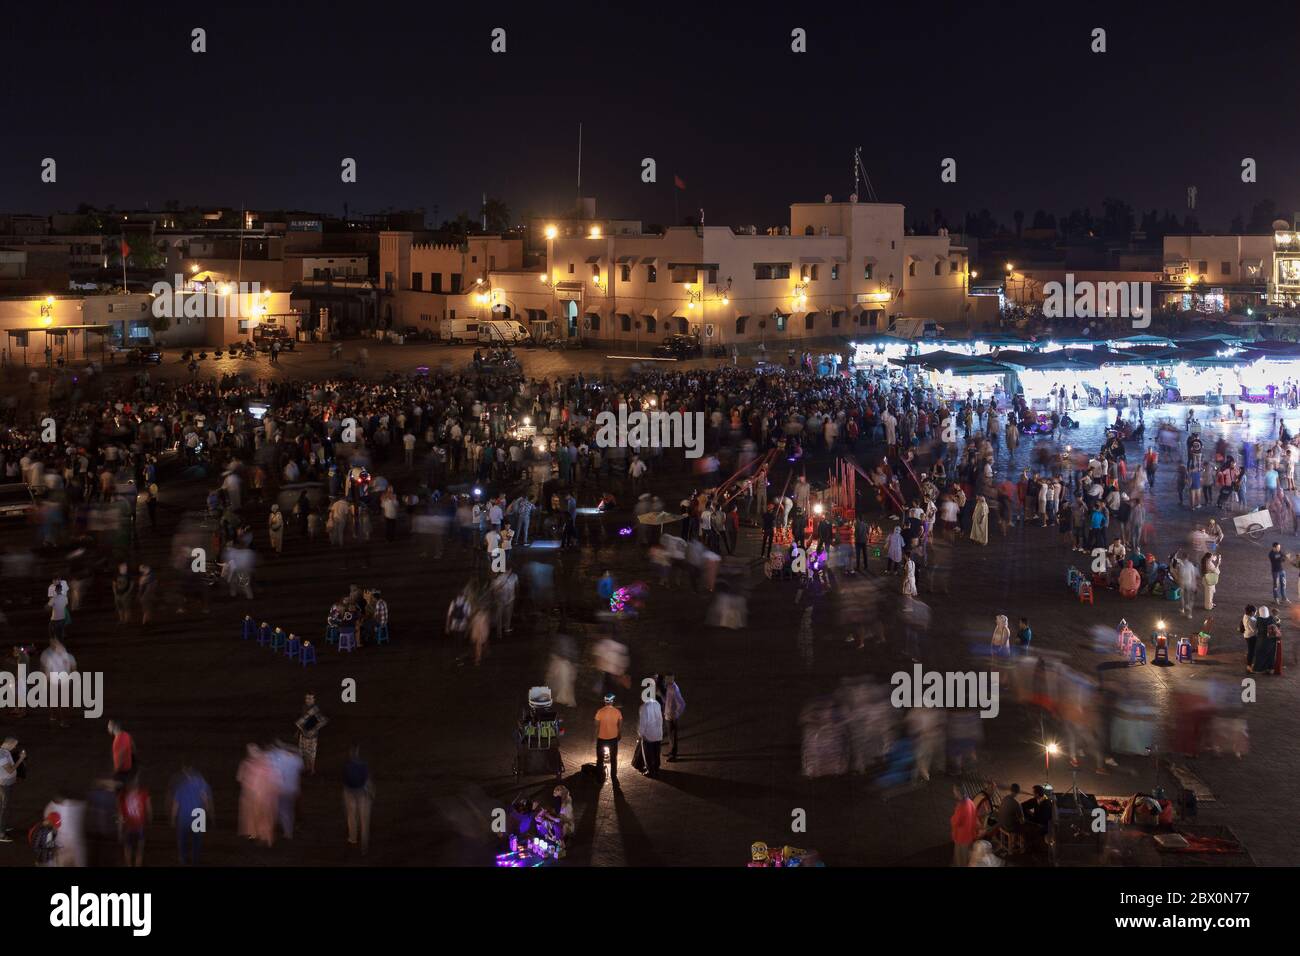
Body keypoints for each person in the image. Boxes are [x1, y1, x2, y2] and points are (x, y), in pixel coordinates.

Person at [169, 762, 213, 865]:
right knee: (197, 841)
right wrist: (208, 813)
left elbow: (176, 804)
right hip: (199, 815)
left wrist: (172, 818)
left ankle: (183, 859)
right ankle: (195, 860)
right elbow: (206, 800)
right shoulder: (202, 783)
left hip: (184, 816)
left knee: (183, 840)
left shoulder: (181, 785)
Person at [343, 744, 373, 854]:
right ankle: (364, 845)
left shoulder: (347, 766)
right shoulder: (363, 765)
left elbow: (345, 782)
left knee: (352, 817)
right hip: (362, 793)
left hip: (350, 793)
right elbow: (367, 781)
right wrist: (371, 793)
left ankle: (353, 839)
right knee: (364, 820)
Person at [117, 776, 152, 867]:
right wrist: (149, 820)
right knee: (139, 850)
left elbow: (120, 816)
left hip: (128, 827)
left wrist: (119, 830)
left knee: (127, 849)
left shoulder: (122, 795)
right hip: (140, 826)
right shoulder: (144, 793)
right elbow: (149, 809)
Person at [0, 737, 26, 843]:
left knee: (3, 806)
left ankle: (2, 826)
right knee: (4, 808)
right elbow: (10, 770)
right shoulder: (2, 755)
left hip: (5, 783)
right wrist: (21, 759)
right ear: (9, 744)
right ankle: (1, 833)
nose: (15, 747)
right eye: (14, 745)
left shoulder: (4, 752)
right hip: (4, 784)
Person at [295, 693, 328, 774]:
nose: (308, 700)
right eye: (307, 698)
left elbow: (323, 721)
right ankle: (307, 768)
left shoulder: (315, 710)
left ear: (314, 700)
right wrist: (298, 731)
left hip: (312, 736)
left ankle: (312, 769)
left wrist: (314, 730)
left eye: (310, 698)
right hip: (303, 734)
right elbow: (301, 721)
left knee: (311, 753)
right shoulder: (304, 708)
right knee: (303, 752)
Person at [595, 693, 623, 783]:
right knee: (613, 758)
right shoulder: (617, 712)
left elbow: (596, 725)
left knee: (600, 759)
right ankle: (614, 776)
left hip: (601, 738)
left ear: (605, 701)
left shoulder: (600, 711)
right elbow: (620, 724)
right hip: (613, 738)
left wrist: (597, 734)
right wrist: (619, 733)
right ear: (612, 701)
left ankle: (599, 777)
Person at [950, 785, 979, 866]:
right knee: (967, 857)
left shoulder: (961, 807)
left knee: (961, 859)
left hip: (962, 838)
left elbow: (955, 822)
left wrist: (953, 816)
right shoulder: (970, 801)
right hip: (969, 835)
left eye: (954, 791)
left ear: (959, 792)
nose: (953, 792)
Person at [637, 690, 664, 778]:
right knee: (656, 753)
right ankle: (657, 768)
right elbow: (660, 718)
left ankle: (650, 771)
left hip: (648, 736)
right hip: (658, 734)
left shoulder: (644, 707)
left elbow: (643, 723)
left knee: (648, 754)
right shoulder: (657, 704)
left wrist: (640, 734)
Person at [662, 673, 685, 761]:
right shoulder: (669, 687)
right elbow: (668, 701)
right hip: (668, 715)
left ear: (671, 679)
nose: (665, 680)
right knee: (671, 736)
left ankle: (673, 755)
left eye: (667, 679)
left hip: (672, 716)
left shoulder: (674, 689)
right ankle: (671, 752)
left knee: (673, 736)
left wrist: (676, 714)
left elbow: (682, 703)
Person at [108, 719, 135, 783]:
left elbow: (122, 753)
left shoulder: (119, 739)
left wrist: (117, 770)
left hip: (122, 772)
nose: (108, 728)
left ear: (114, 726)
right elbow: (133, 748)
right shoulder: (126, 735)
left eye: (109, 726)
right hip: (127, 771)